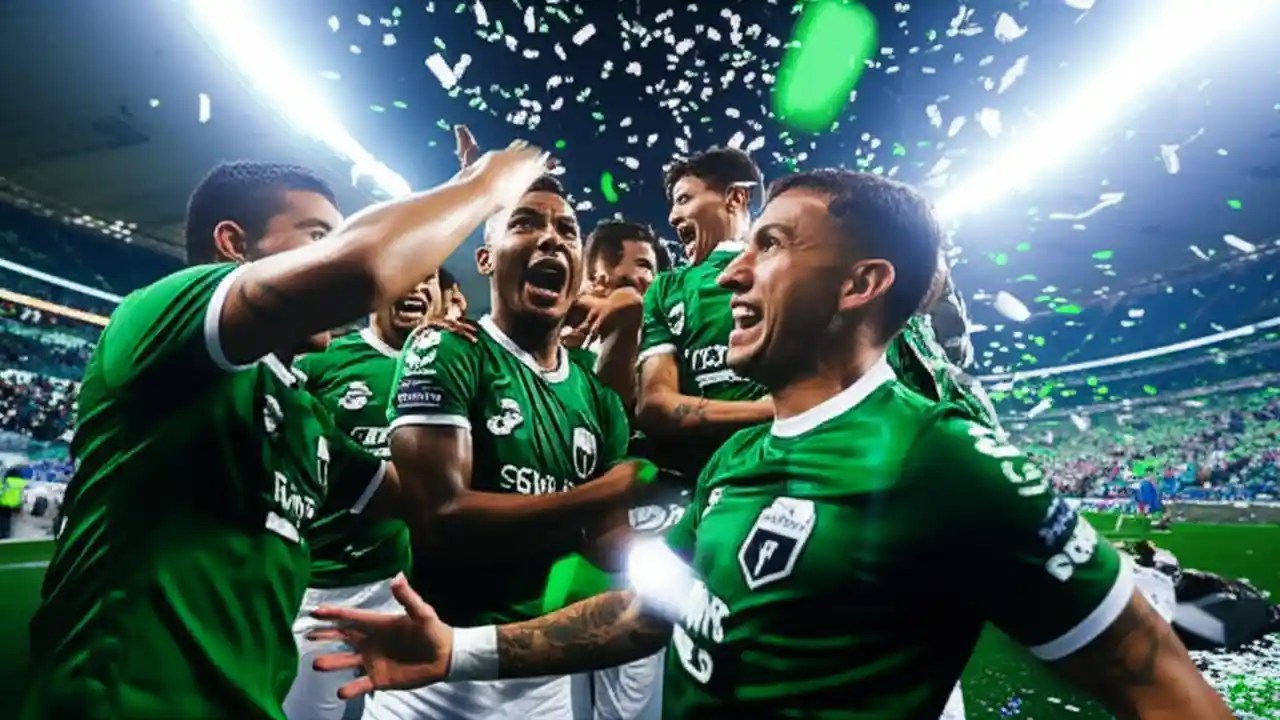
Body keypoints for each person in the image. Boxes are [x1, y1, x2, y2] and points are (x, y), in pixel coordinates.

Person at [309, 169, 1233, 720]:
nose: (734, 270)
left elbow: (1149, 671)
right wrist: (460, 652)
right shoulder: (739, 464)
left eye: (773, 246)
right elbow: (649, 614)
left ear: (862, 283)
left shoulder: (941, 459)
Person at [20, 146, 551, 720]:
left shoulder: (302, 413)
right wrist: (486, 185)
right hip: (121, 704)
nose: (331, 251)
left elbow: (431, 502)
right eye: (317, 235)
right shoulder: (164, 314)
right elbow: (366, 265)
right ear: (234, 245)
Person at [362, 172, 645, 719]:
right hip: (432, 677)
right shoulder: (446, 347)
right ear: (487, 258)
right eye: (525, 223)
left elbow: (609, 545)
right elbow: (440, 519)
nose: (551, 238)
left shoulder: (597, 396)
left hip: (539, 676)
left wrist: (693, 535)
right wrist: (600, 494)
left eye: (567, 229)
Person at [283, 275, 443, 720]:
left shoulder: (452, 365)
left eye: (428, 278)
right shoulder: (323, 361)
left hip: (408, 590)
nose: (415, 288)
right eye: (406, 274)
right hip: (322, 587)